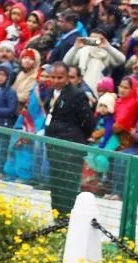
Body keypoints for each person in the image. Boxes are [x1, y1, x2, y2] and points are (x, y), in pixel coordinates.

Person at [43, 61, 94, 216]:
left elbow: (88, 122)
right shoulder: (50, 92)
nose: (56, 81)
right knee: (56, 185)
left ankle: (68, 221)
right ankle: (57, 218)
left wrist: (74, 137)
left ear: (67, 78)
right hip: (54, 147)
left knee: (68, 188)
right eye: (53, 77)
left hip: (71, 150)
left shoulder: (77, 95)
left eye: (60, 77)